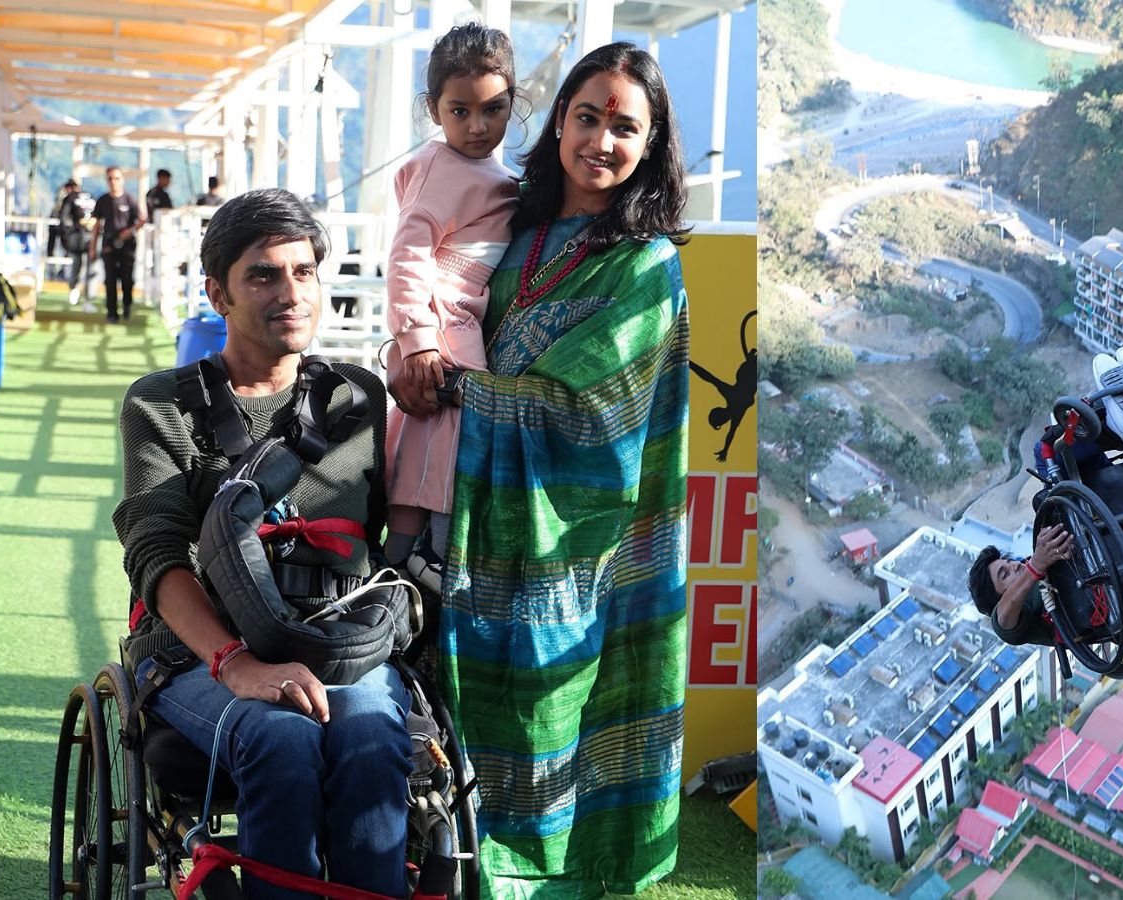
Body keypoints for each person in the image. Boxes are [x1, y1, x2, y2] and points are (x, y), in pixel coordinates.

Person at [395, 42, 691, 897]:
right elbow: (434, 285)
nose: (601, 140)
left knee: (548, 718)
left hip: (572, 542)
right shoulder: (513, 222)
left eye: (625, 127)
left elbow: (594, 418)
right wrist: (406, 352)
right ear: (557, 118)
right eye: (587, 116)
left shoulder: (645, 263)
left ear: (651, 141)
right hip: (460, 505)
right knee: (441, 725)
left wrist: (461, 391)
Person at [113, 188, 410, 900]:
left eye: (304, 271)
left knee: (369, 739)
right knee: (280, 739)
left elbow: (401, 526)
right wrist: (235, 662)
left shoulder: (357, 398)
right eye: (264, 274)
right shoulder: (161, 406)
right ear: (218, 291)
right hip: (200, 653)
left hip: (338, 638)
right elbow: (156, 553)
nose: (292, 292)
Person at [381, 22, 519, 589]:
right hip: (446, 329)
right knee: (446, 448)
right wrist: (417, 339)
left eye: (494, 109)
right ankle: (428, 561)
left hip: (458, 324)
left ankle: (402, 562)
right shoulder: (441, 168)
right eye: (459, 110)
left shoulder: (490, 174)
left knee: (424, 453)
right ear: (434, 110)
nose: (478, 125)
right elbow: (408, 256)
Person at [967, 525, 1075, 646]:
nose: (1016, 564)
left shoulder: (1036, 560)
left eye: (1010, 562)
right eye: (1005, 574)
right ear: (1001, 600)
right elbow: (1003, 618)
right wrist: (1035, 565)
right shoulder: (1019, 616)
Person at [89, 167, 144, 323]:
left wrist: (129, 231)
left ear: (122, 180)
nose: (113, 182)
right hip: (108, 244)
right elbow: (96, 226)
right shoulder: (102, 201)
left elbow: (141, 220)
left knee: (127, 279)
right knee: (110, 279)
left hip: (127, 246)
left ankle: (127, 304)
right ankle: (112, 312)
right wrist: (92, 247)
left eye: (117, 178)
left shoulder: (130, 200)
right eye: (110, 179)